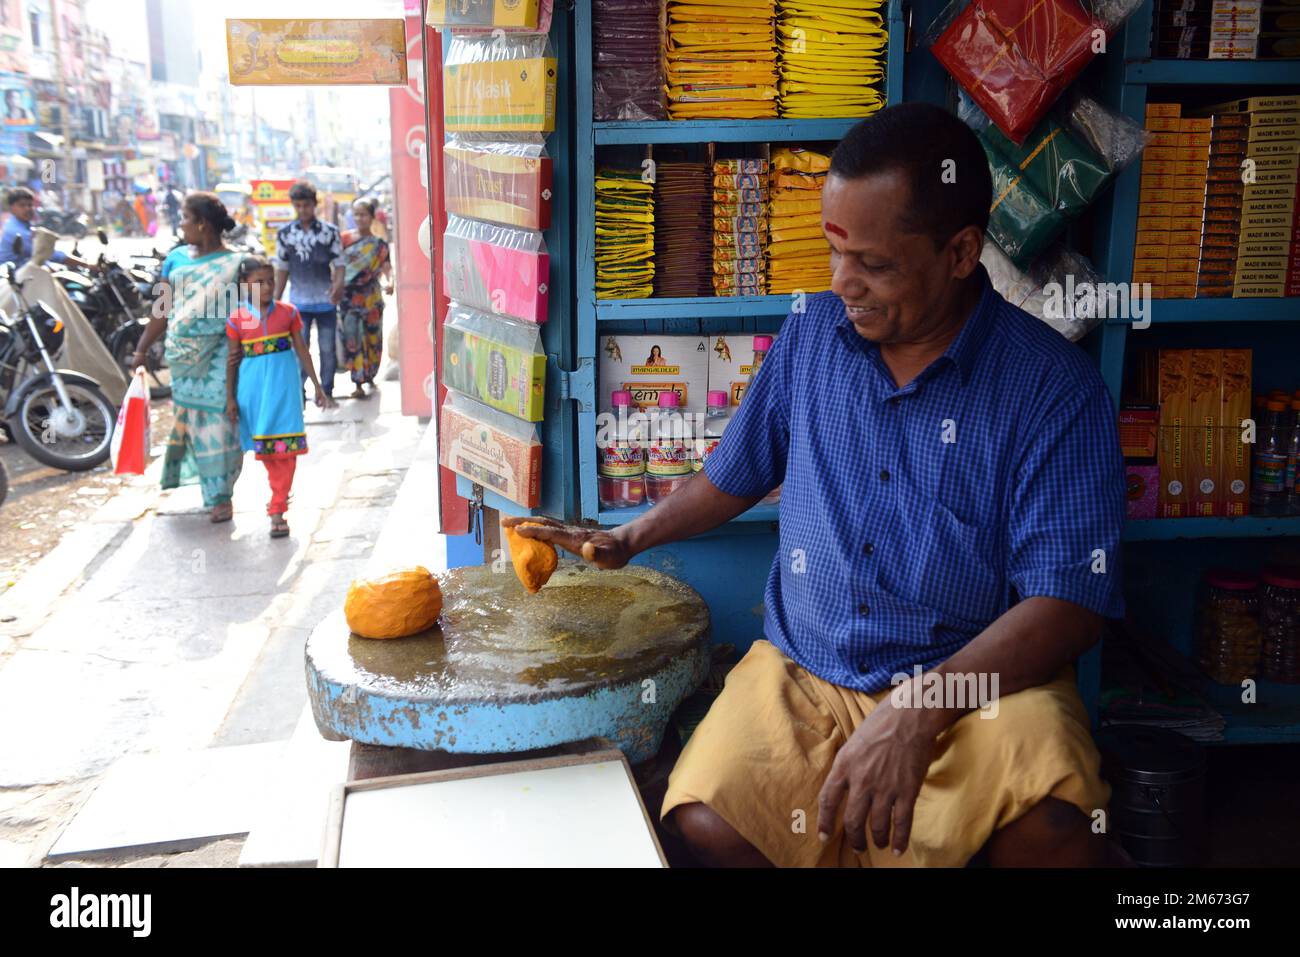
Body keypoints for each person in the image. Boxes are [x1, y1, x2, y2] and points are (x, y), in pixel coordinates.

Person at [505, 103, 1128, 868]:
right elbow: (732, 474)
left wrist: (920, 709)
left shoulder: (1052, 391)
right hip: (807, 675)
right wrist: (629, 537)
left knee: (1056, 831)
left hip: (975, 691)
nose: (844, 283)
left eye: (875, 263)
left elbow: (1070, 606)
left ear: (962, 252)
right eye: (836, 251)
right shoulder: (813, 337)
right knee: (703, 822)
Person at [132, 192, 244, 523]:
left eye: (183, 218)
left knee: (222, 424)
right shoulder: (176, 259)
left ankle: (221, 496)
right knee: (195, 425)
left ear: (202, 223)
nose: (180, 225)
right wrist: (141, 348)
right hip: (181, 356)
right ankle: (210, 490)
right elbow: (162, 308)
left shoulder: (237, 263)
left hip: (221, 355)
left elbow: (246, 313)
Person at [225, 256, 336, 538]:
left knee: (284, 452)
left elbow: (303, 351)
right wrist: (230, 399)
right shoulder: (237, 319)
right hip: (253, 394)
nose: (266, 287)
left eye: (270, 281)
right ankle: (278, 497)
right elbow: (232, 361)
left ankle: (277, 508)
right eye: (258, 282)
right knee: (267, 453)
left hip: (285, 393)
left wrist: (318, 388)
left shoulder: (288, 313)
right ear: (243, 285)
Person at [272, 180, 344, 401]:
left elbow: (340, 263)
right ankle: (299, 392)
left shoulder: (329, 232)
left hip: (326, 301)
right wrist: (275, 302)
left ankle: (327, 392)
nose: (303, 210)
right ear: (294, 206)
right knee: (300, 350)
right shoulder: (285, 234)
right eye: (298, 206)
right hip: (298, 303)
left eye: (306, 205)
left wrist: (338, 285)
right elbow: (282, 269)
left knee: (327, 349)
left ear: (315, 205)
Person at [339, 198, 392, 399]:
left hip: (371, 299)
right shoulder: (343, 240)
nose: (360, 218)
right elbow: (336, 267)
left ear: (371, 217)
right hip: (348, 299)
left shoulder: (379, 244)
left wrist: (391, 281)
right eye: (356, 214)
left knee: (372, 338)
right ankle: (357, 382)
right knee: (352, 339)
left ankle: (370, 376)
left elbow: (387, 267)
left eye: (364, 214)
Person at [0, 188, 98, 272]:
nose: (27, 209)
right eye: (22, 205)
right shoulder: (15, 230)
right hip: (13, 280)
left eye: (30, 205)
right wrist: (86, 264)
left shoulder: (25, 225)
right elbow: (47, 253)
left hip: (25, 273)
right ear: (11, 208)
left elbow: (38, 257)